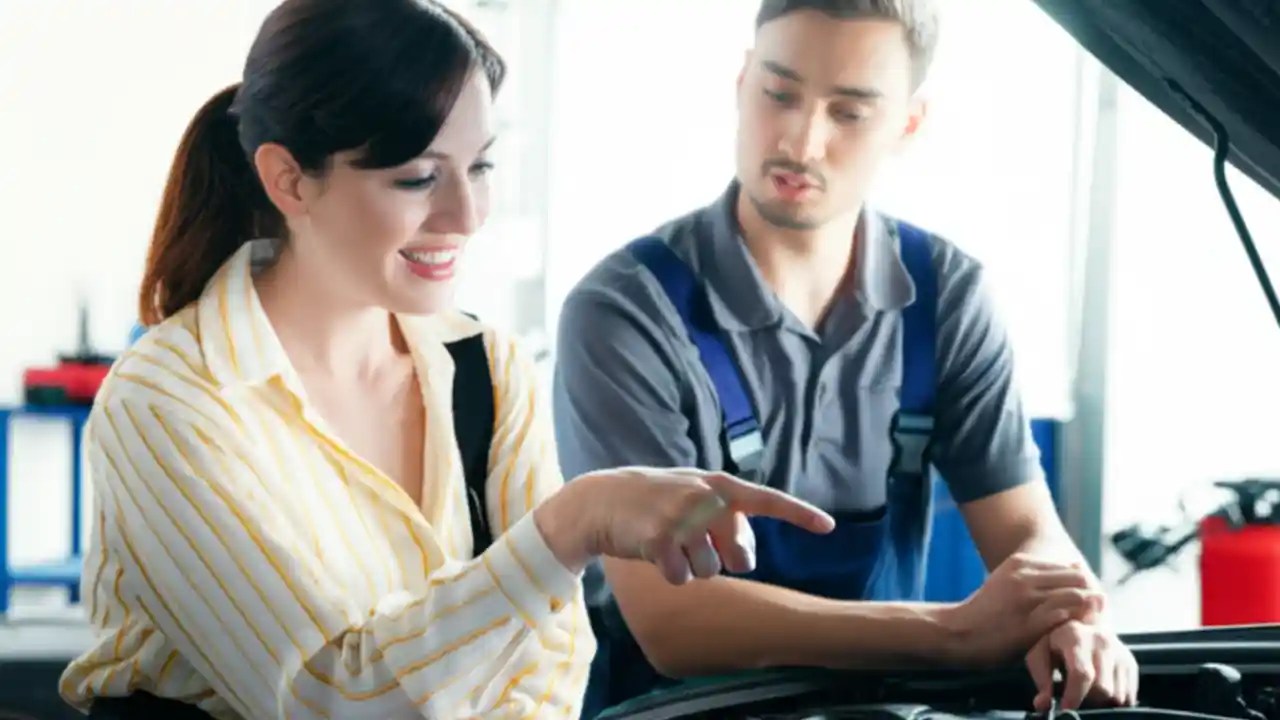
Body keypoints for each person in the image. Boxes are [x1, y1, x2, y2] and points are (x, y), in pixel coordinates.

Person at [57, 1, 836, 718]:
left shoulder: (486, 368)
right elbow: (330, 699)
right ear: (288, 179)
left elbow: (552, 665)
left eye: (482, 167)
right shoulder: (171, 400)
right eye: (420, 177)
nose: (466, 215)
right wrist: (568, 528)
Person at [552, 0, 1138, 716]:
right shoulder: (625, 313)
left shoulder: (947, 297)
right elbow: (674, 623)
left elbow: (1026, 534)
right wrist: (952, 634)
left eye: (850, 112)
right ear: (742, 83)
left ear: (908, 124)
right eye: (779, 93)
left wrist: (1076, 618)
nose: (801, 141)